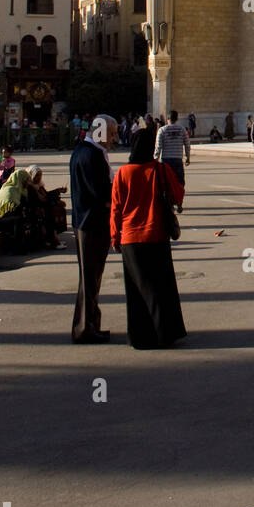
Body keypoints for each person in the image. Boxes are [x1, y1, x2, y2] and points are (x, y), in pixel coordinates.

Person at [110, 132, 186, 350]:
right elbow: (178, 195)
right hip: (157, 235)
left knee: (136, 291)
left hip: (130, 239)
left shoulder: (123, 173)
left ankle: (140, 337)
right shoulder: (160, 170)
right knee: (162, 287)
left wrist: (115, 237)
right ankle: (165, 333)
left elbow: (116, 209)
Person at [69, 115, 115, 343]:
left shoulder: (82, 150)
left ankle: (90, 325)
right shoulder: (93, 155)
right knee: (90, 279)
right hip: (93, 224)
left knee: (91, 278)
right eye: (112, 132)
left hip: (84, 222)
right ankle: (85, 329)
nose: (114, 137)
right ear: (101, 132)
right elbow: (100, 193)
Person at [0, 168, 34, 249]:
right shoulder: (10, 190)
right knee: (18, 220)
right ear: (20, 179)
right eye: (26, 180)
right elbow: (11, 209)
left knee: (22, 219)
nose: (28, 183)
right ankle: (17, 248)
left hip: (4, 218)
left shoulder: (19, 190)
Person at [26, 165, 66, 247]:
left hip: (43, 206)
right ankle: (53, 240)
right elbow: (38, 200)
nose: (39, 177)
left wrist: (58, 190)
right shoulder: (30, 186)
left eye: (40, 175)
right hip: (34, 209)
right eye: (37, 175)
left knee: (59, 208)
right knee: (51, 212)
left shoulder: (39, 185)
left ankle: (53, 237)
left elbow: (46, 195)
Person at [154, 109, 190, 192]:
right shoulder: (182, 129)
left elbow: (158, 146)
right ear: (177, 119)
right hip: (177, 159)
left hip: (165, 160)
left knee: (165, 181)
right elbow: (187, 145)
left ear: (167, 118)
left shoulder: (162, 130)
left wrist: (156, 158)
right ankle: (179, 201)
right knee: (180, 181)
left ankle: (167, 199)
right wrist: (187, 157)